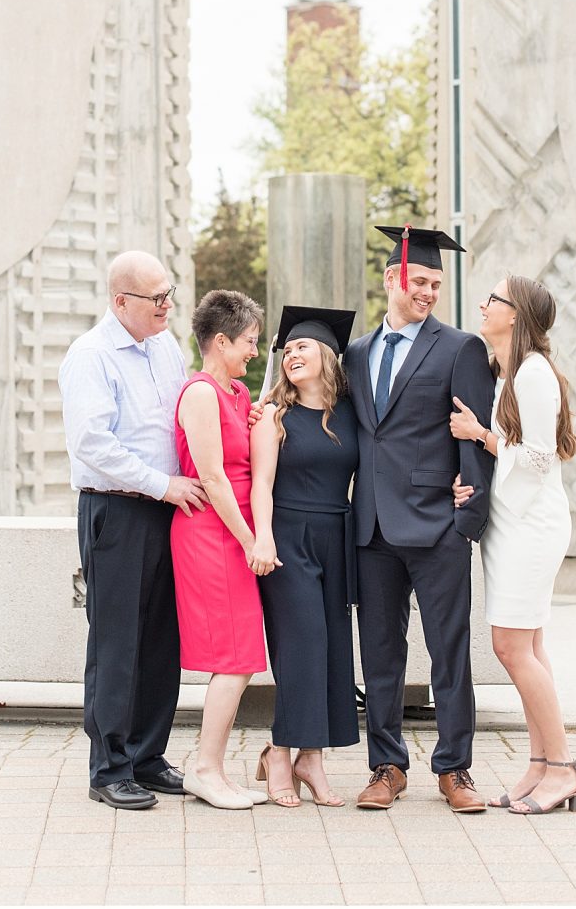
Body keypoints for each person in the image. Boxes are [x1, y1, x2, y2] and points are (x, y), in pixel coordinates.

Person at [343, 225, 495, 812]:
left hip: (438, 527)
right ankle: (386, 766)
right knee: (379, 656)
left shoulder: (460, 349)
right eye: (421, 281)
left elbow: (474, 437)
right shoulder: (356, 353)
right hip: (372, 529)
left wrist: (467, 520)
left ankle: (455, 769)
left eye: (436, 283)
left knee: (449, 654)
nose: (430, 291)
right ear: (392, 278)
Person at [59, 250, 206, 811]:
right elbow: (92, 445)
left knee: (162, 640)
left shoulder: (165, 347)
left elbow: (181, 420)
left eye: (169, 293)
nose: (167, 305)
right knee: (116, 641)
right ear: (121, 301)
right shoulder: (91, 356)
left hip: (170, 508)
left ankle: (148, 755)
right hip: (117, 511)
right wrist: (162, 485)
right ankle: (109, 768)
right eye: (156, 297)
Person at [450, 275, 576, 815]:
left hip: (531, 526)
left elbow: (539, 457)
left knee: (509, 647)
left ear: (516, 314)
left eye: (494, 298)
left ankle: (564, 769)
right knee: (529, 647)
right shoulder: (509, 371)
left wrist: (480, 434)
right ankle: (539, 762)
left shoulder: (532, 373)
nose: (484, 305)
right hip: (512, 524)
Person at [250, 305, 360, 808]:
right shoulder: (273, 415)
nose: (292, 353)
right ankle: (280, 751)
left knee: (333, 645)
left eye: (303, 346)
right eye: (288, 348)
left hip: (337, 535)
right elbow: (262, 484)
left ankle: (310, 758)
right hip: (288, 536)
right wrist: (263, 538)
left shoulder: (351, 413)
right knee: (302, 645)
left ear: (328, 356)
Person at [170, 289, 270, 810]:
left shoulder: (237, 394)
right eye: (249, 341)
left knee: (242, 656)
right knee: (234, 657)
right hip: (212, 535)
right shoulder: (201, 393)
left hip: (235, 534)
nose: (255, 350)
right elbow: (211, 477)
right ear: (221, 341)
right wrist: (251, 541)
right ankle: (205, 770)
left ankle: (213, 768)